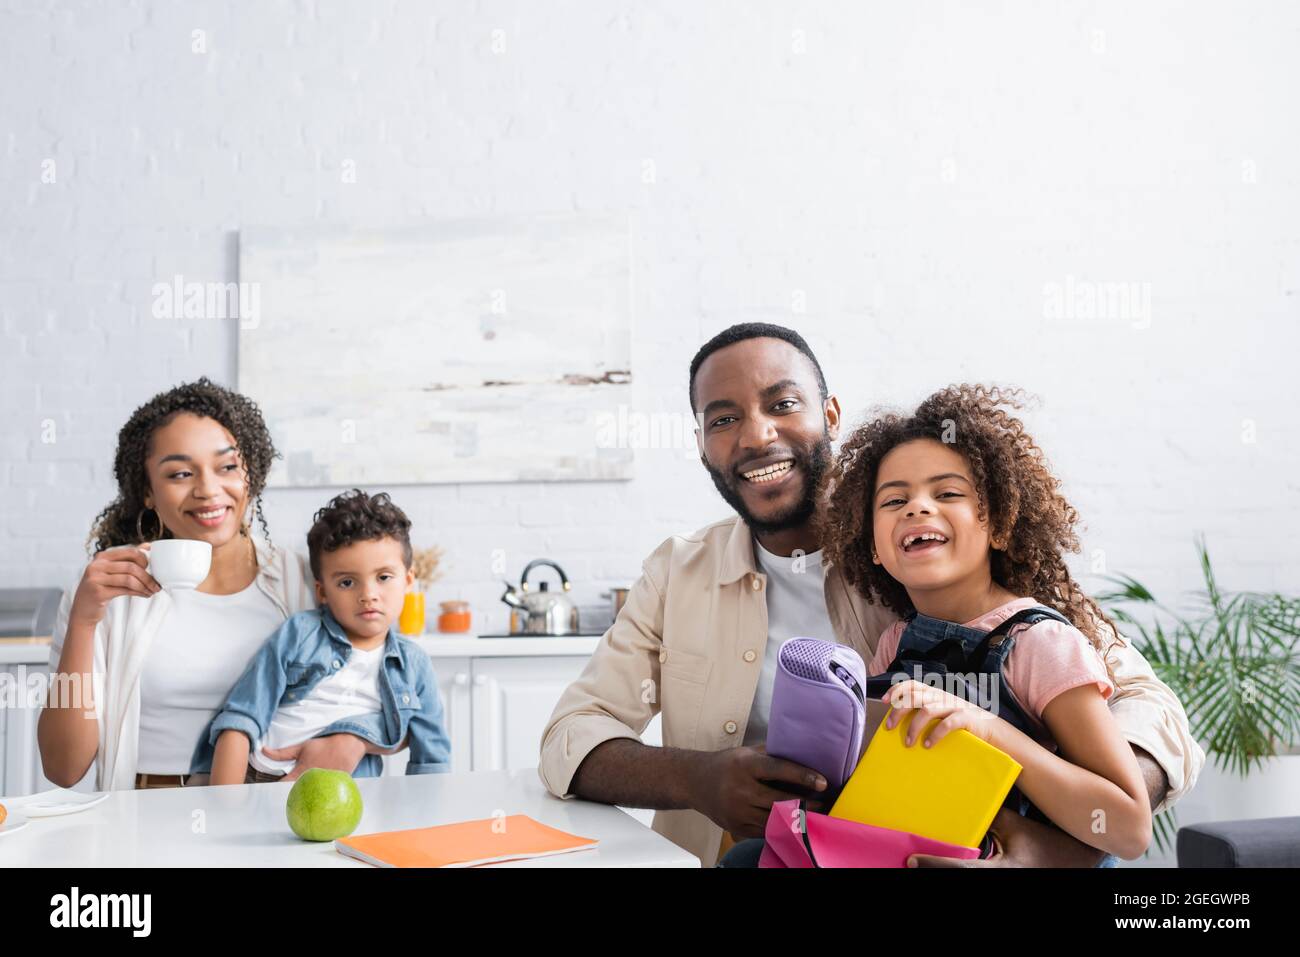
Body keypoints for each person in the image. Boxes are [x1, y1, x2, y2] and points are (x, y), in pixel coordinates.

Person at [539, 323, 1205, 867]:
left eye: (781, 402)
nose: (757, 434)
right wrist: (696, 779)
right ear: (703, 445)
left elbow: (1148, 707)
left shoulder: (941, 563)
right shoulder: (676, 573)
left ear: (829, 413)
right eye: (723, 418)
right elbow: (571, 735)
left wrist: (1055, 848)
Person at [38, 378, 399, 790]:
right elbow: (62, 767)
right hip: (152, 822)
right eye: (179, 473)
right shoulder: (106, 594)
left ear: (252, 474)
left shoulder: (305, 581)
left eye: (227, 467)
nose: (209, 490)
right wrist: (84, 621)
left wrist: (353, 741)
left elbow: (404, 692)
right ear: (148, 492)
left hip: (283, 817)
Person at [203, 490, 450, 784]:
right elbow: (243, 716)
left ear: (408, 581)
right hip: (263, 779)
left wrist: (425, 821)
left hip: (350, 794)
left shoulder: (414, 664)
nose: (368, 595)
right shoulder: (300, 634)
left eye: (384, 577)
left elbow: (432, 757)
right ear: (322, 592)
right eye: (347, 582)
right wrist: (225, 805)